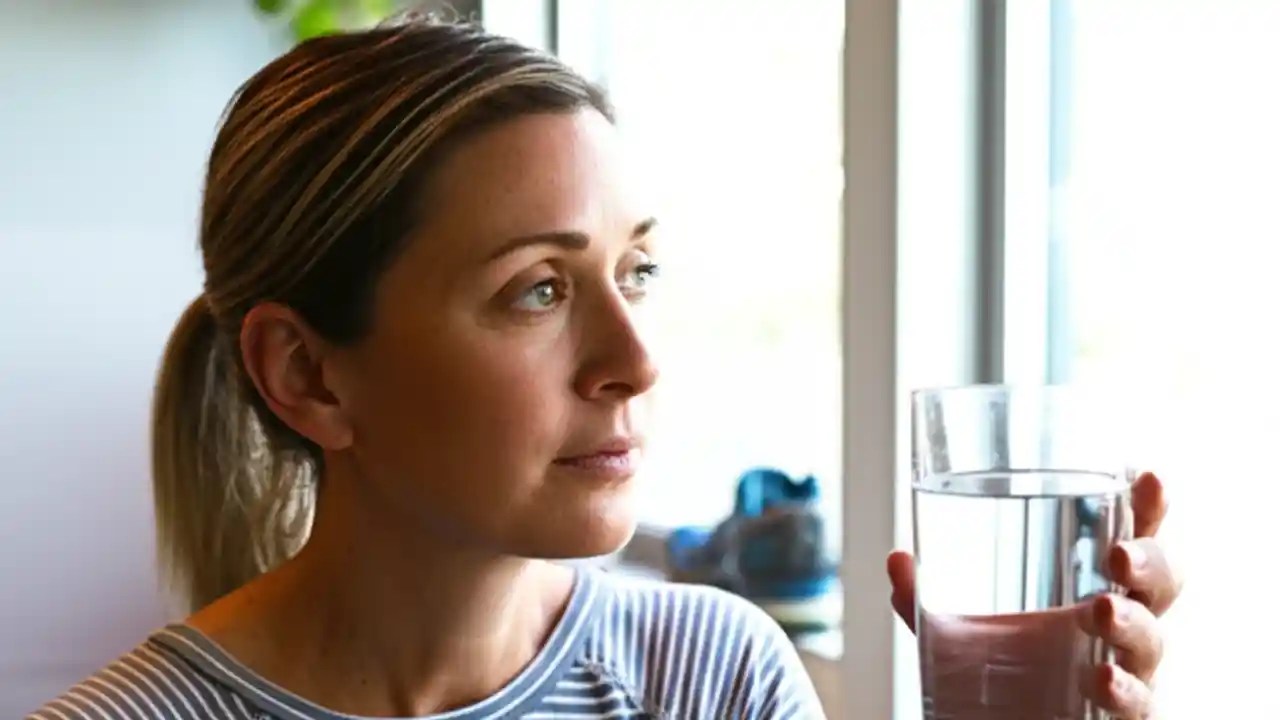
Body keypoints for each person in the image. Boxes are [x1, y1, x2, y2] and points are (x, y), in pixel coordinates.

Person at [28, 18, 1181, 720]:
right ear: (309, 375)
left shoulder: (712, 679)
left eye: (636, 271)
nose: (633, 362)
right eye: (536, 289)